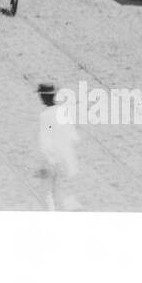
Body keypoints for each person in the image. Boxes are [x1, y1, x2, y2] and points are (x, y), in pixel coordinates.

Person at [37, 82, 80, 211]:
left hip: (53, 160)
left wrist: (48, 160)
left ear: (43, 97)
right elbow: (74, 137)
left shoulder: (45, 116)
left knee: (48, 193)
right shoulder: (63, 112)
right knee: (64, 193)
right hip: (67, 158)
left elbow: (45, 140)